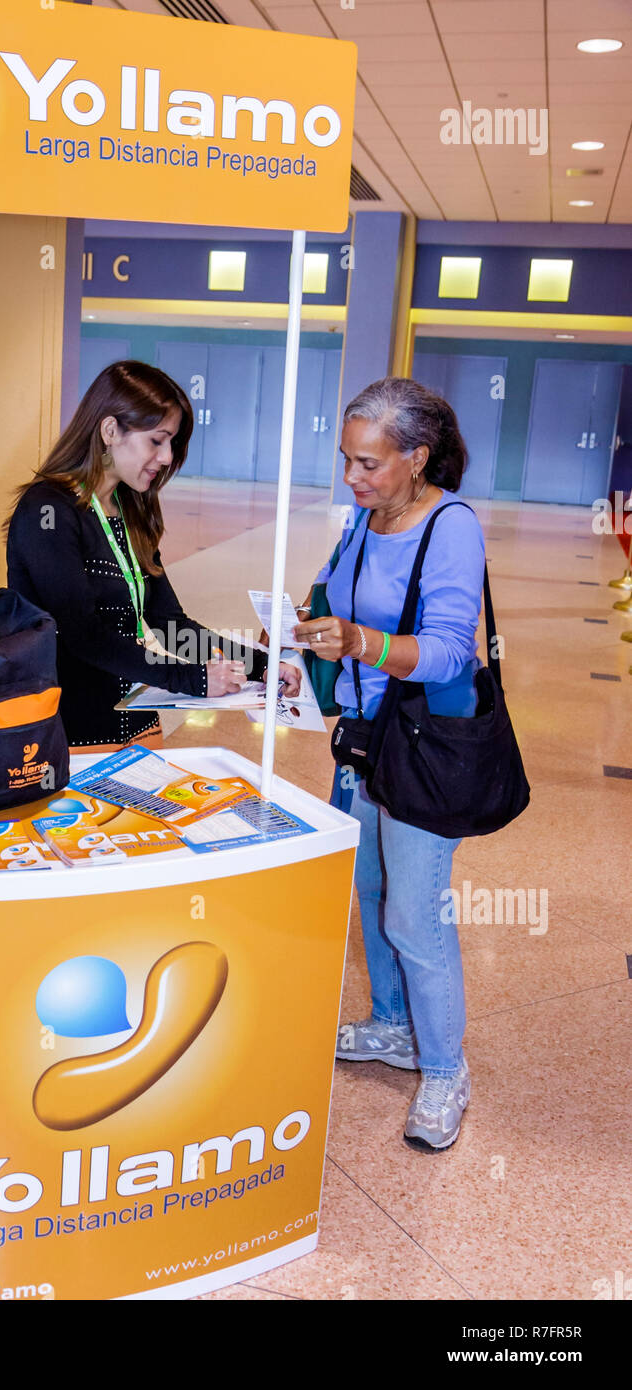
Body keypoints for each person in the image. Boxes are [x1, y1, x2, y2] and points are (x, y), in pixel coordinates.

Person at [294, 376, 486, 1152]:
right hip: (365, 742)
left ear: (417, 456)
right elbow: (337, 605)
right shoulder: (364, 520)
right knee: (371, 892)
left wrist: (361, 643)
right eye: (346, 460)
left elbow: (446, 653)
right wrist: (306, 635)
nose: (353, 476)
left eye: (369, 463)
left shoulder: (453, 527)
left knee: (416, 910)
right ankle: (393, 1026)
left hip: (425, 750)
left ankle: (445, 1069)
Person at [6, 359, 299, 751]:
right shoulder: (47, 510)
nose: (165, 457)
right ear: (110, 430)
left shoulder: (130, 510)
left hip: (135, 717)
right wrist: (192, 679)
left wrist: (262, 667)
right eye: (156, 440)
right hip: (68, 731)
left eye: (171, 443)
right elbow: (82, 635)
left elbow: (170, 624)